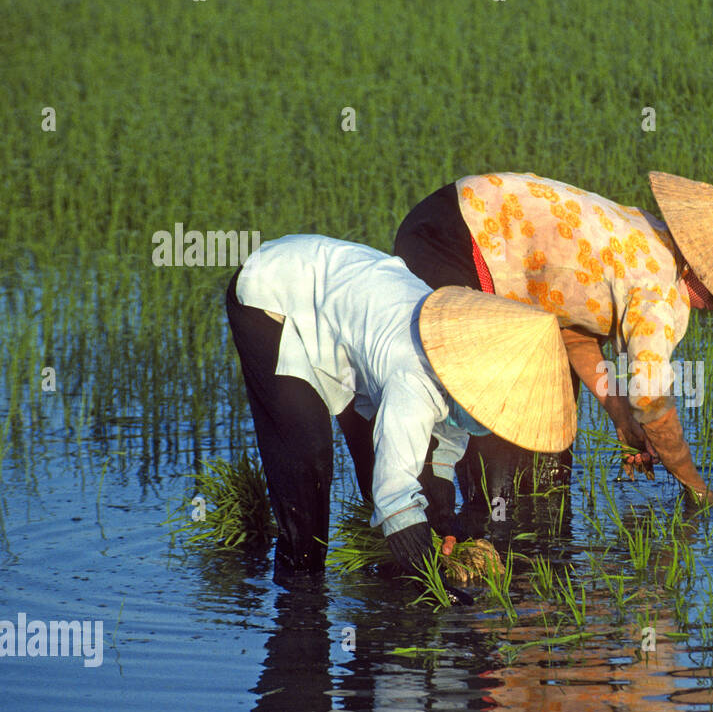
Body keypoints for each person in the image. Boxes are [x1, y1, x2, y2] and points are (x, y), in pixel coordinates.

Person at [392, 171, 713, 515]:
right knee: (480, 394)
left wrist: (621, 416)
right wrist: (697, 487)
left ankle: (501, 530)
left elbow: (572, 334)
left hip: (446, 211)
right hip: (454, 239)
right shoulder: (659, 292)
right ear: (709, 281)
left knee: (506, 389)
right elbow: (653, 402)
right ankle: (446, 529)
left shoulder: (648, 232)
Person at [225, 234, 575, 583]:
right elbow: (394, 493)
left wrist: (441, 522)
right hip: (275, 290)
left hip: (346, 307)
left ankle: (384, 585)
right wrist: (431, 573)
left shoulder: (467, 365)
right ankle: (300, 587)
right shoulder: (413, 377)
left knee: (375, 453)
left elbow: (440, 448)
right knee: (306, 456)